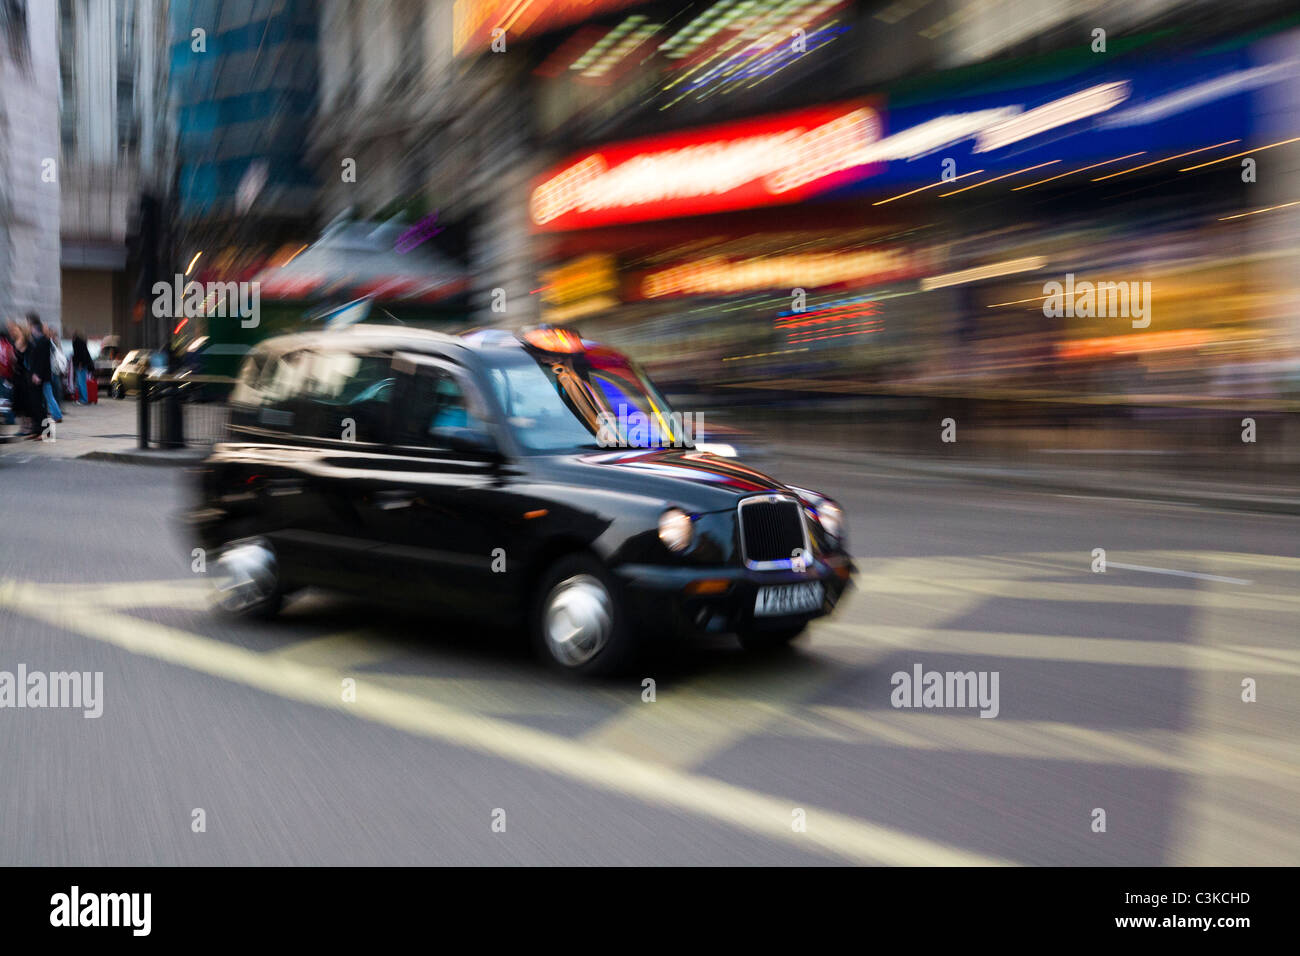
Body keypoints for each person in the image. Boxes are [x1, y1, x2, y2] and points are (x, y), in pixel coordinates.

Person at [27, 313, 61, 425]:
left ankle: (56, 415)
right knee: (47, 396)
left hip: (45, 374)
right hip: (45, 374)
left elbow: (43, 360)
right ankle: (55, 415)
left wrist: (38, 374)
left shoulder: (45, 341)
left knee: (48, 396)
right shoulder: (44, 341)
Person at [72, 331, 94, 404]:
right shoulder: (81, 342)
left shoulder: (77, 342)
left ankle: (84, 399)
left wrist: (80, 363)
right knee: (80, 382)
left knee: (81, 382)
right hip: (82, 364)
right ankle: (82, 399)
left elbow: (79, 354)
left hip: (80, 365)